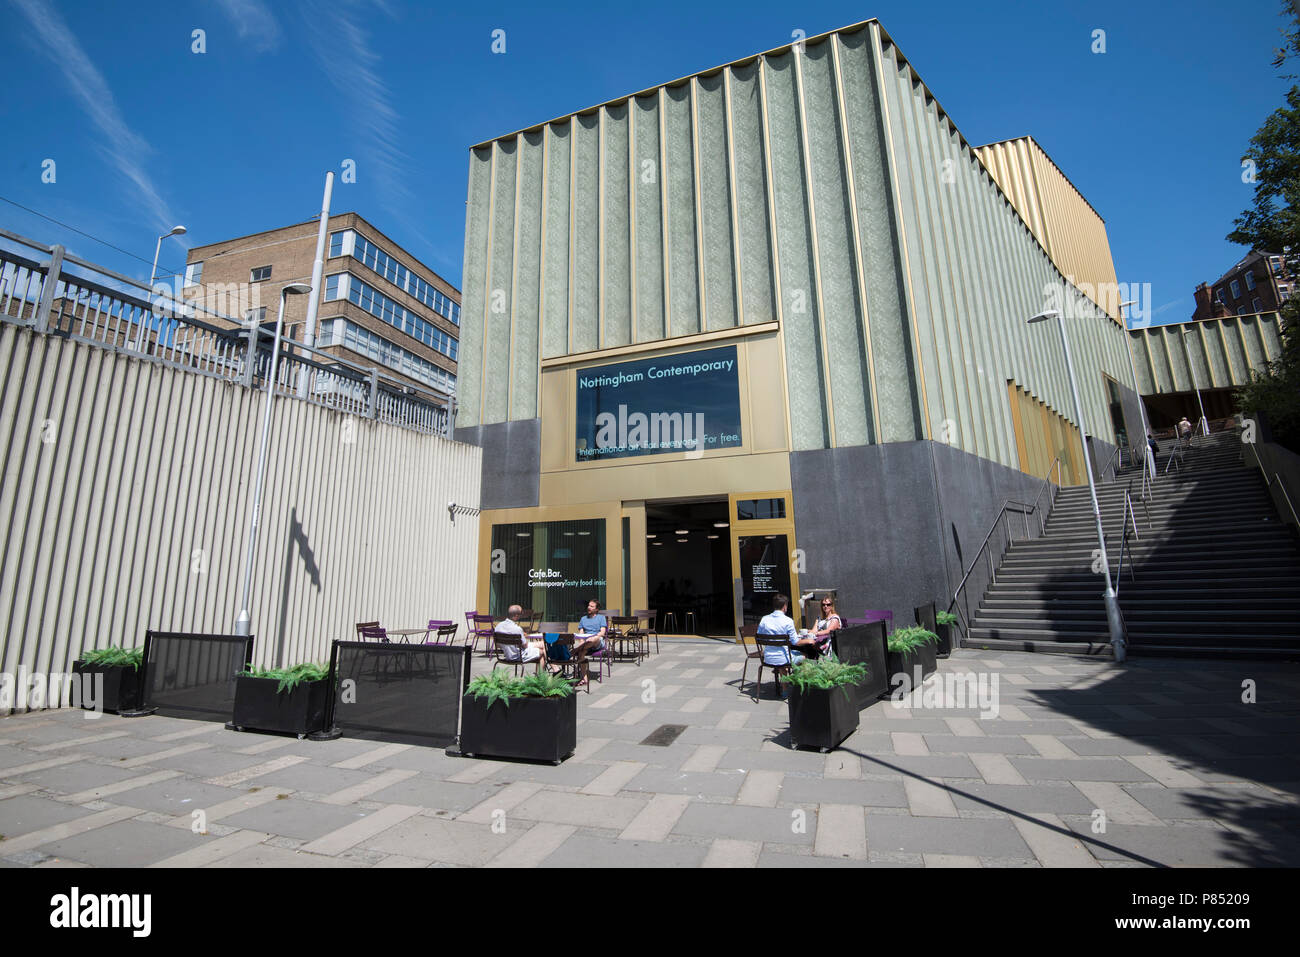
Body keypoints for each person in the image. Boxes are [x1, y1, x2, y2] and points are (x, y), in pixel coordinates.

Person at [756, 593, 802, 697]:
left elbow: (759, 636)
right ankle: (796, 685)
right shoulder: (788, 621)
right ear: (785, 606)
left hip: (767, 658)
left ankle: (785, 689)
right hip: (783, 659)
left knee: (784, 656)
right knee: (804, 656)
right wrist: (808, 640)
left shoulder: (764, 619)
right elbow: (795, 642)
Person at [494, 604, 547, 671]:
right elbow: (525, 645)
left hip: (507, 655)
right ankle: (542, 677)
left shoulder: (498, 626)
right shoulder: (517, 629)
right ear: (516, 616)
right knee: (542, 651)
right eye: (521, 613)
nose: (521, 615)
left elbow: (498, 645)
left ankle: (554, 670)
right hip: (518, 656)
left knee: (543, 644)